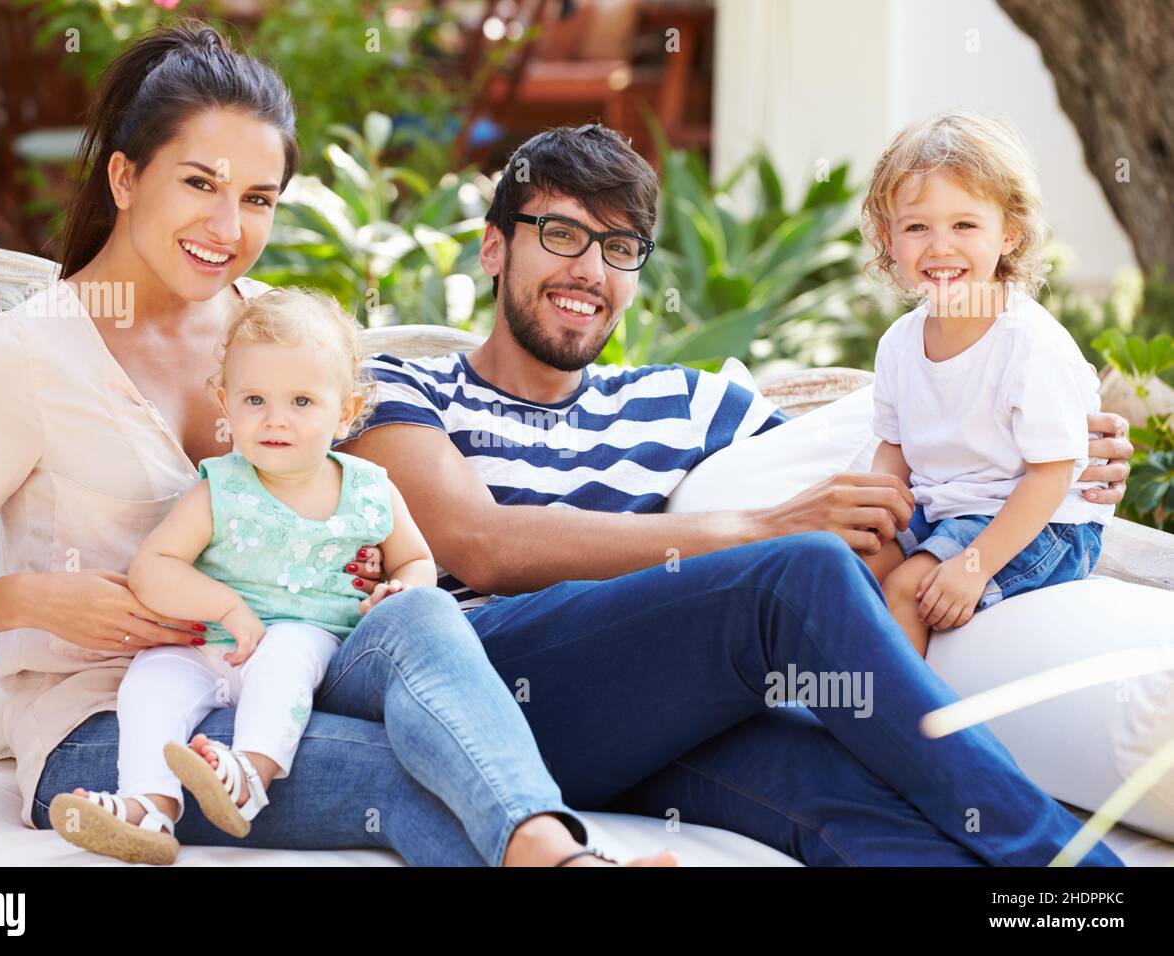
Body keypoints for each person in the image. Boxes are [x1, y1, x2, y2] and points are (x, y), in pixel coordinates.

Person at [0, 22, 674, 868]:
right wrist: (38, 599)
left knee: (425, 612)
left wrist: (368, 570)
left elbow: (342, 498)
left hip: (284, 674)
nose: (228, 225)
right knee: (400, 774)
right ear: (125, 176)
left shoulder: (273, 330)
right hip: (113, 726)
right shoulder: (29, 355)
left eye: (258, 198)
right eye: (200, 183)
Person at [335, 123, 1135, 866]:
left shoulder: (684, 403)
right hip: (480, 692)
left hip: (640, 721)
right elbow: (481, 545)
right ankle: (1082, 872)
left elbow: (895, 462)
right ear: (493, 248)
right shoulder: (398, 384)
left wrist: (1064, 450)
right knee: (801, 568)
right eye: (561, 235)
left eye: (618, 247)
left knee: (860, 812)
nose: (588, 270)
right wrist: (760, 528)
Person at [859, 109, 1112, 657]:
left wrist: (973, 566)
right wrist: (880, 509)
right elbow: (895, 445)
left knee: (908, 588)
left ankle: (898, 730)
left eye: (965, 225)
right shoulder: (901, 344)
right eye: (917, 226)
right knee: (852, 558)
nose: (940, 247)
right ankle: (824, 699)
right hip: (946, 507)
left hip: (1042, 523)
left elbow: (1051, 475)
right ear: (889, 237)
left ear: (1009, 233)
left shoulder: (1028, 344)